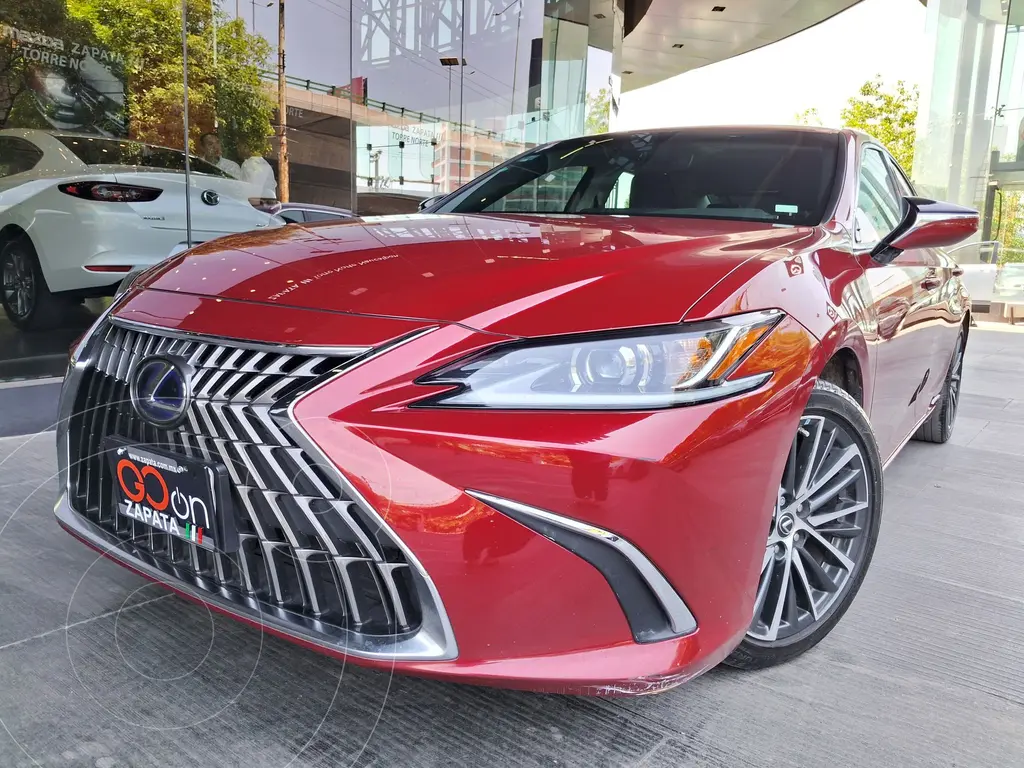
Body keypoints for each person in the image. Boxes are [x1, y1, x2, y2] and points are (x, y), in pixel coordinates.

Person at [238, 138, 278, 203]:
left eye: (239, 146)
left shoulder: (248, 164)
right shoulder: (266, 165)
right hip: (267, 205)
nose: (238, 150)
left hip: (253, 205)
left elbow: (250, 190)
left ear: (247, 147)